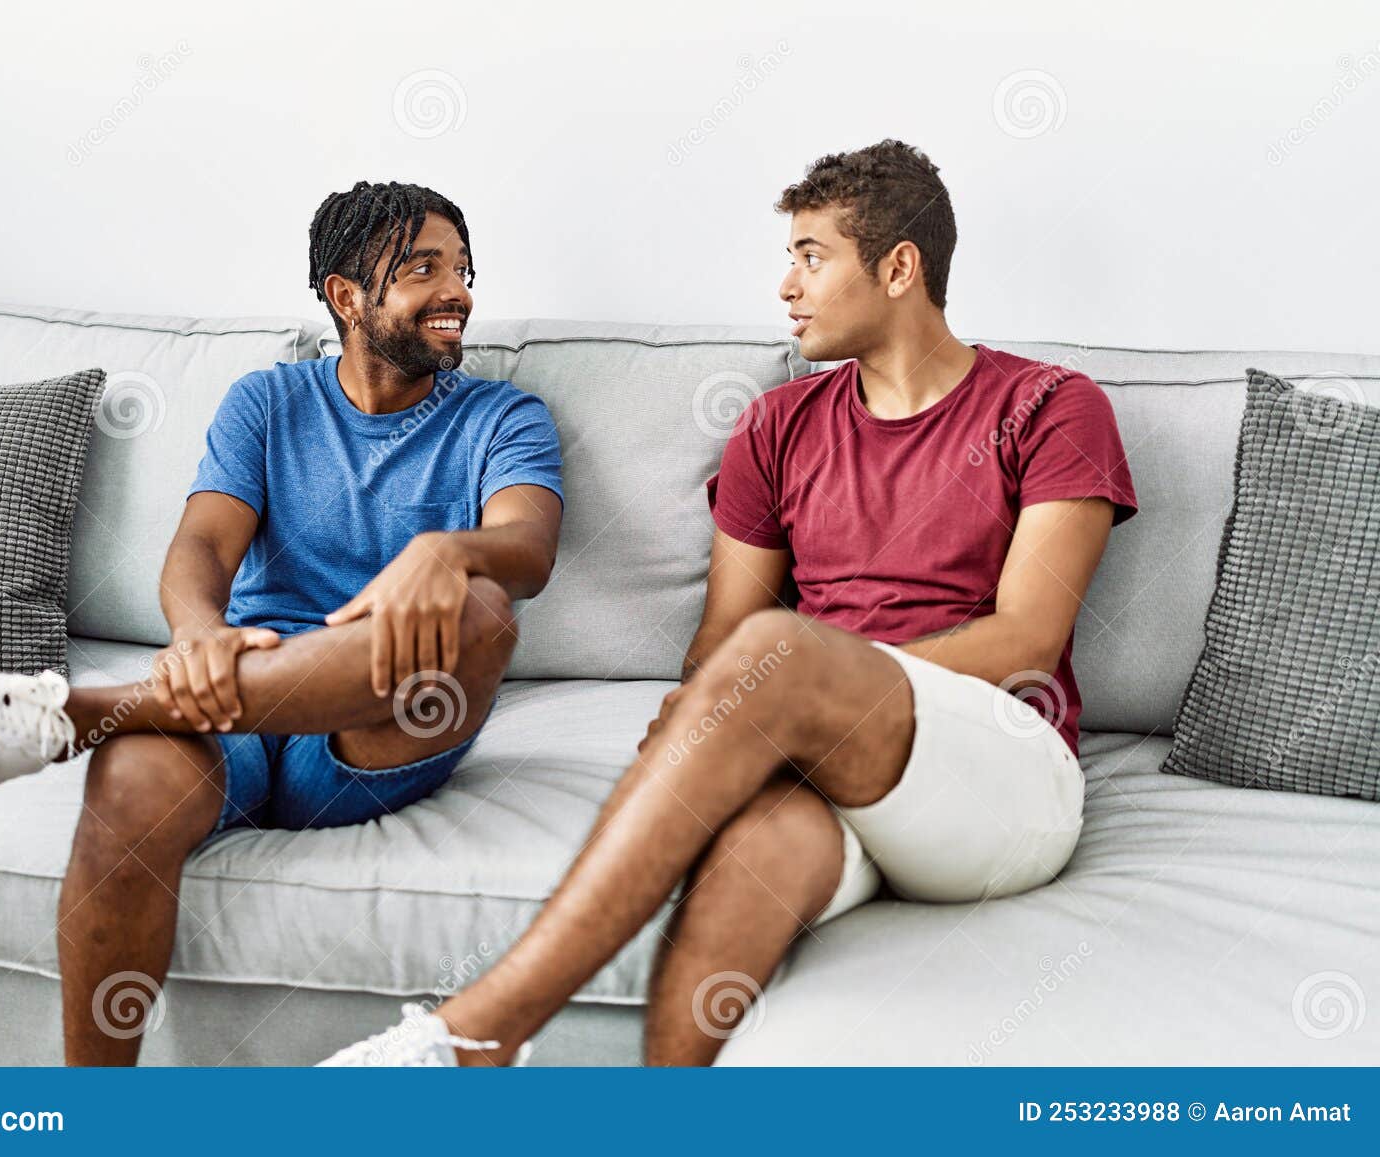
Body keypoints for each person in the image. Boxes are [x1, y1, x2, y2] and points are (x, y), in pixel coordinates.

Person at [323, 141, 1138, 1067]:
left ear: (899, 268)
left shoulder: (1049, 406)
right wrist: (727, 710)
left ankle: (478, 1032)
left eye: (811, 257)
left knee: (779, 655)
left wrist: (796, 686)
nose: (787, 286)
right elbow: (720, 640)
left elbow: (1026, 639)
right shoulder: (777, 426)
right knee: (749, 865)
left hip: (998, 770)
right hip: (820, 763)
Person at [0, 180, 564, 1066]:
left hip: (375, 723)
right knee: (130, 782)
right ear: (347, 296)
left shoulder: (502, 416)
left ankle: (79, 712)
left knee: (481, 607)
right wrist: (198, 635)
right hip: (231, 701)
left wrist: (449, 550)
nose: (458, 293)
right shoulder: (267, 402)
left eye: (463, 270)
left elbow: (528, 548)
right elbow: (203, 546)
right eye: (423, 270)